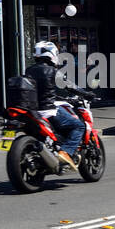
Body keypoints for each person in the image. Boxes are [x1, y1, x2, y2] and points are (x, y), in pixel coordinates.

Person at [25, 40, 86, 171]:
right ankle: (66, 152)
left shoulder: (28, 70)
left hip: (33, 112)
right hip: (48, 111)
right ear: (52, 54)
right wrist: (86, 93)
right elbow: (69, 85)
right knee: (79, 126)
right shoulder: (51, 71)